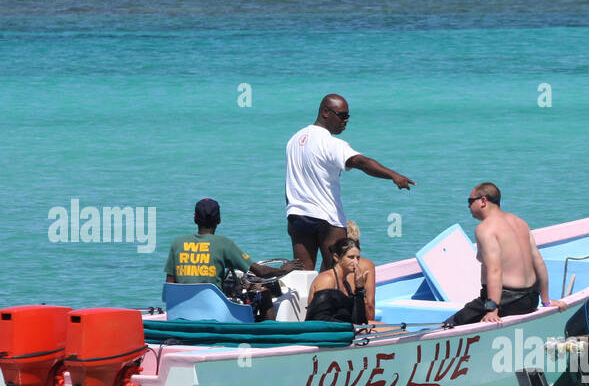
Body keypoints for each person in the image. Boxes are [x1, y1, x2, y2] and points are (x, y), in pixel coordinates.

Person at [285, 94, 415, 272]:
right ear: (325, 112)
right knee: (339, 270)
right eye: (342, 115)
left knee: (302, 272)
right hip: (327, 216)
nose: (346, 121)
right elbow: (360, 162)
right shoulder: (330, 143)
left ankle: (307, 299)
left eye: (348, 117)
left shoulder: (294, 140)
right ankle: (332, 298)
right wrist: (393, 175)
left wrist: (292, 212)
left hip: (297, 214)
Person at [164, 199, 291, 320]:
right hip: (213, 313)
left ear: (195, 218)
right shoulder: (224, 244)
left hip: (181, 312)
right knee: (264, 294)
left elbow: (170, 285)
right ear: (219, 220)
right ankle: (268, 337)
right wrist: (282, 270)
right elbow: (261, 272)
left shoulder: (177, 243)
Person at [445, 183, 553, 326]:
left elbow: (495, 270)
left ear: (483, 201)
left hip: (506, 301)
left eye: (470, 202)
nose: (468, 207)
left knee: (449, 324)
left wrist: (492, 309)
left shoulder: (485, 228)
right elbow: (538, 262)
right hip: (531, 299)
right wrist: (546, 302)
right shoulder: (520, 222)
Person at [306, 237, 368, 324]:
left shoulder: (346, 283)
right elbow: (318, 317)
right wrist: (348, 328)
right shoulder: (327, 279)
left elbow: (359, 321)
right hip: (324, 334)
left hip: (342, 331)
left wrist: (359, 289)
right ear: (336, 257)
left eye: (358, 258)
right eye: (351, 257)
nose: (356, 262)